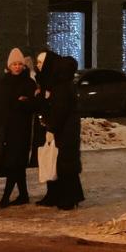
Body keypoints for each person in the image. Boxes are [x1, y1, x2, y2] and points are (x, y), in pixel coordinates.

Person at [36, 49, 84, 211]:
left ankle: (69, 198)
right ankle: (60, 195)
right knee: (59, 163)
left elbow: (59, 110)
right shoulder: (55, 82)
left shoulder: (61, 85)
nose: (38, 66)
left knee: (65, 165)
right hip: (63, 129)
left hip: (65, 131)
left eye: (40, 63)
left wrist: (52, 128)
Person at [0, 47, 38, 208]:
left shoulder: (28, 82)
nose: (17, 67)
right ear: (9, 65)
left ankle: (5, 196)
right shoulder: (3, 82)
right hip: (5, 129)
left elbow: (32, 104)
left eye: (20, 64)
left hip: (21, 129)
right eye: (14, 64)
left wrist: (22, 103)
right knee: (16, 165)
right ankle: (23, 195)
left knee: (15, 163)